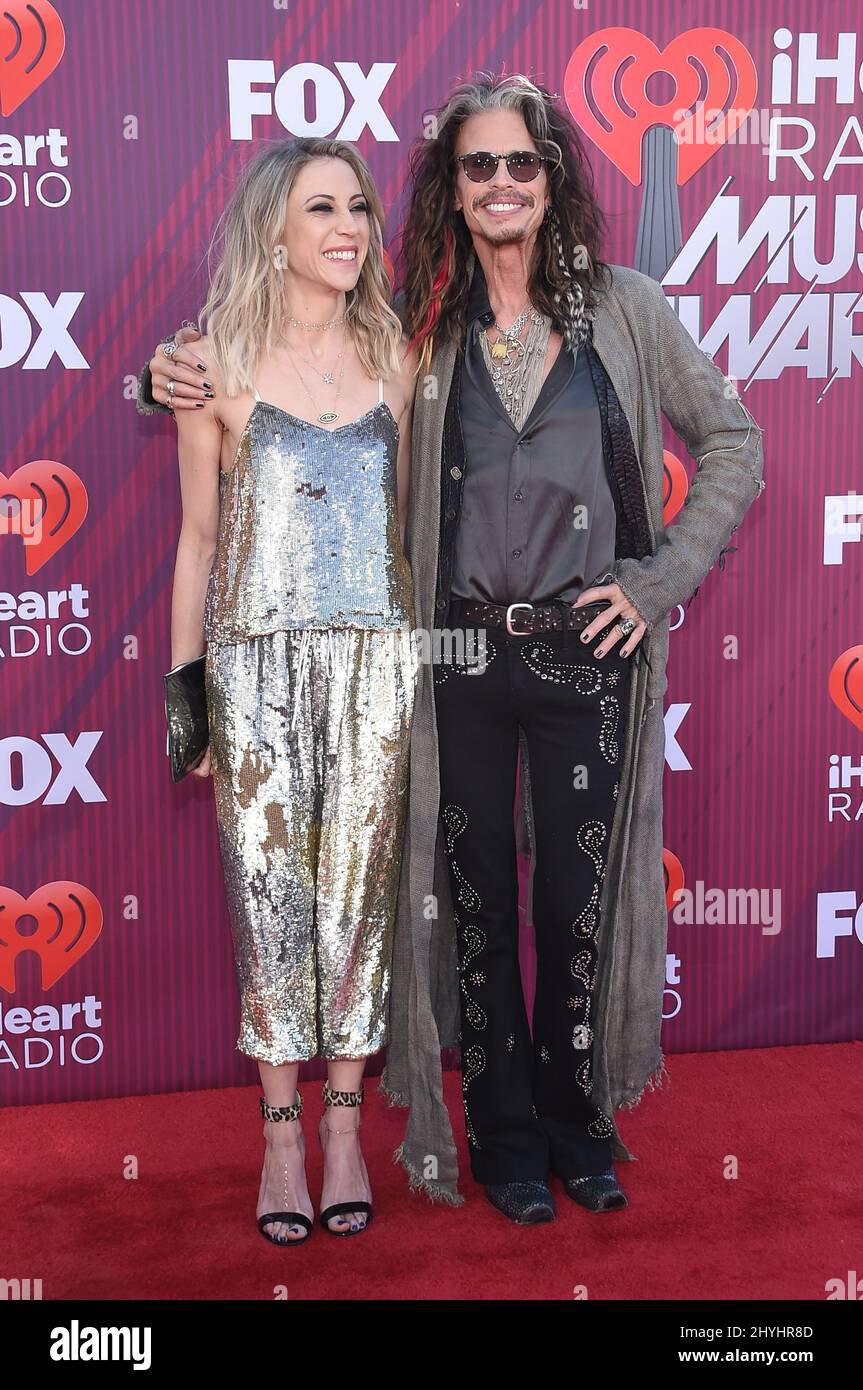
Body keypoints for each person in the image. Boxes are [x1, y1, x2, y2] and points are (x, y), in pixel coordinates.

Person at [137, 73, 765, 1225]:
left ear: (551, 175)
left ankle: (580, 1126)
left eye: (520, 162)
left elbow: (732, 438)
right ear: (453, 189)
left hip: (579, 655)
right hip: (451, 664)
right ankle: (501, 1139)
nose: (502, 183)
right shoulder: (423, 326)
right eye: (477, 166)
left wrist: (658, 578)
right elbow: (261, 416)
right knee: (467, 903)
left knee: (574, 902)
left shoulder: (613, 310)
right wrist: (160, 374)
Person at [155, 137, 419, 1245]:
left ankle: (346, 1130)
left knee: (357, 907)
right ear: (275, 228)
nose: (348, 226)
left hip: (376, 670)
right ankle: (277, 1138)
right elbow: (200, 542)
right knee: (270, 912)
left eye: (357, 206)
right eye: (321, 208)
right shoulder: (208, 364)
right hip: (253, 669)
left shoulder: (399, 357)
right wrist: (190, 706)